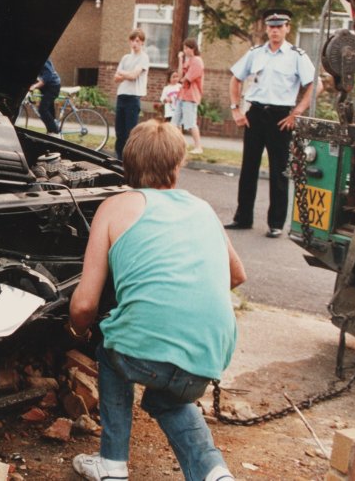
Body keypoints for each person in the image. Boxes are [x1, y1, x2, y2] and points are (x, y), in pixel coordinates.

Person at [69, 119, 246, 481]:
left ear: (125, 164)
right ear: (177, 166)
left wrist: (76, 332)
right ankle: (214, 473)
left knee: (108, 345)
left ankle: (113, 463)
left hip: (140, 357)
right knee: (168, 399)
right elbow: (237, 276)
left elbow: (85, 305)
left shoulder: (113, 208)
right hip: (208, 355)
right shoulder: (203, 208)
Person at [225, 8, 315, 238]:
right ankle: (243, 217)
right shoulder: (255, 53)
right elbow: (235, 78)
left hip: (281, 118)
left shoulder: (296, 55)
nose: (275, 31)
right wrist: (236, 108)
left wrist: (297, 112)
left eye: (279, 26)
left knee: (279, 171)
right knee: (248, 169)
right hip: (255, 114)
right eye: (271, 27)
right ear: (266, 29)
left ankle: (276, 223)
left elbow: (315, 85)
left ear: (287, 28)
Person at [113, 28, 149, 160]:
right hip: (121, 95)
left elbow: (134, 75)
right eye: (133, 40)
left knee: (130, 132)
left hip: (133, 98)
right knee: (119, 132)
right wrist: (125, 74)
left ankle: (130, 160)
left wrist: (123, 73)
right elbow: (116, 78)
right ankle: (119, 158)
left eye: (138, 41)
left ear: (142, 43)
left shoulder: (144, 57)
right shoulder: (125, 58)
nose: (135, 43)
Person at [175, 37, 205, 154]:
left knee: (191, 123)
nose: (185, 50)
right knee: (175, 122)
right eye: (184, 48)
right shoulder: (188, 61)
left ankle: (198, 147)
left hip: (191, 96)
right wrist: (180, 60)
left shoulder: (197, 61)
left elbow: (186, 79)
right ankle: (181, 146)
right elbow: (179, 75)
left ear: (192, 48)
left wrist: (181, 80)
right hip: (182, 95)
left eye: (186, 48)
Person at [30, 58, 62, 136]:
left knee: (42, 109)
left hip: (53, 86)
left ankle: (55, 132)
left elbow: (48, 75)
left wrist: (34, 86)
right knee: (48, 110)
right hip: (46, 87)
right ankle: (51, 130)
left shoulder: (44, 59)